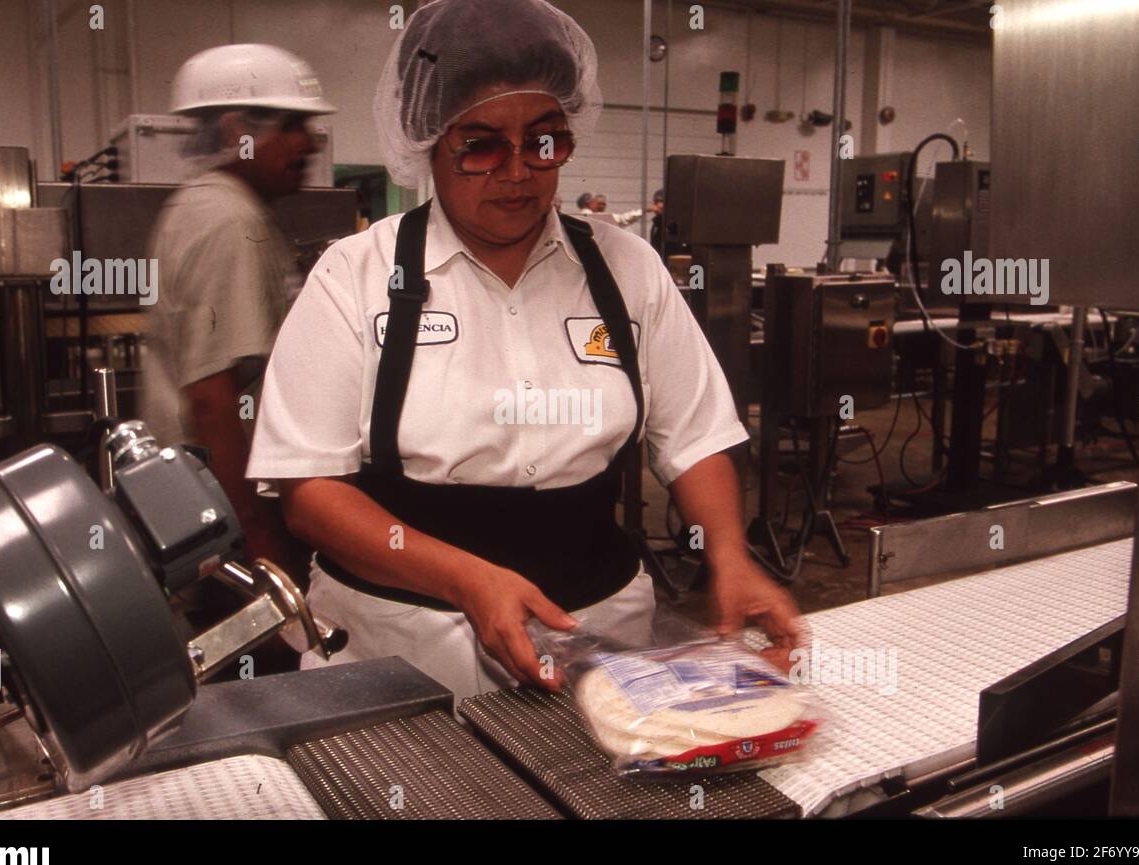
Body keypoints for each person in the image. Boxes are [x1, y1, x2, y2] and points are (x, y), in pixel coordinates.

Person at [245, 0, 803, 701]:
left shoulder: (625, 269)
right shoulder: (355, 277)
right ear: (429, 141)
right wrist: (466, 578)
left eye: (544, 142)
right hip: (398, 646)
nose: (517, 172)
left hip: (597, 637)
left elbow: (695, 437)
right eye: (480, 145)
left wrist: (730, 554)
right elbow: (309, 492)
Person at [141, 44, 333, 590]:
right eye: (292, 126)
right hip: (219, 510)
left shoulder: (207, 203)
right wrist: (259, 544)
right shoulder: (228, 220)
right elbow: (212, 400)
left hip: (200, 500)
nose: (309, 142)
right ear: (234, 131)